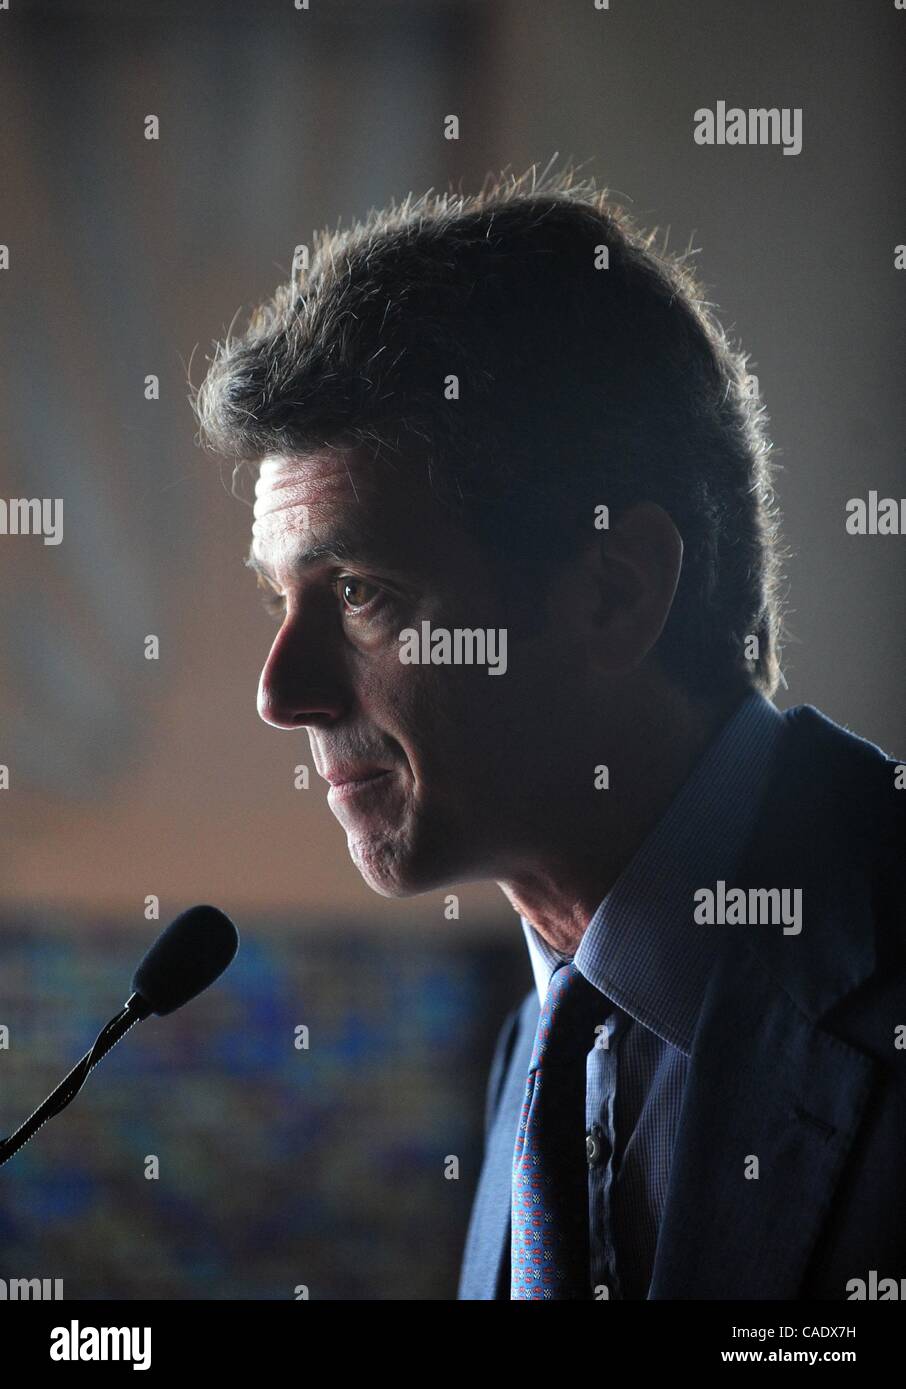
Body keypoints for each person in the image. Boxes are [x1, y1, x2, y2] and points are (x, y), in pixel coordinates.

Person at [192, 168, 906, 1300]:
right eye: (280, 599)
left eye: (363, 593)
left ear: (615, 593)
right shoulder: (546, 1034)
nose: (283, 691)